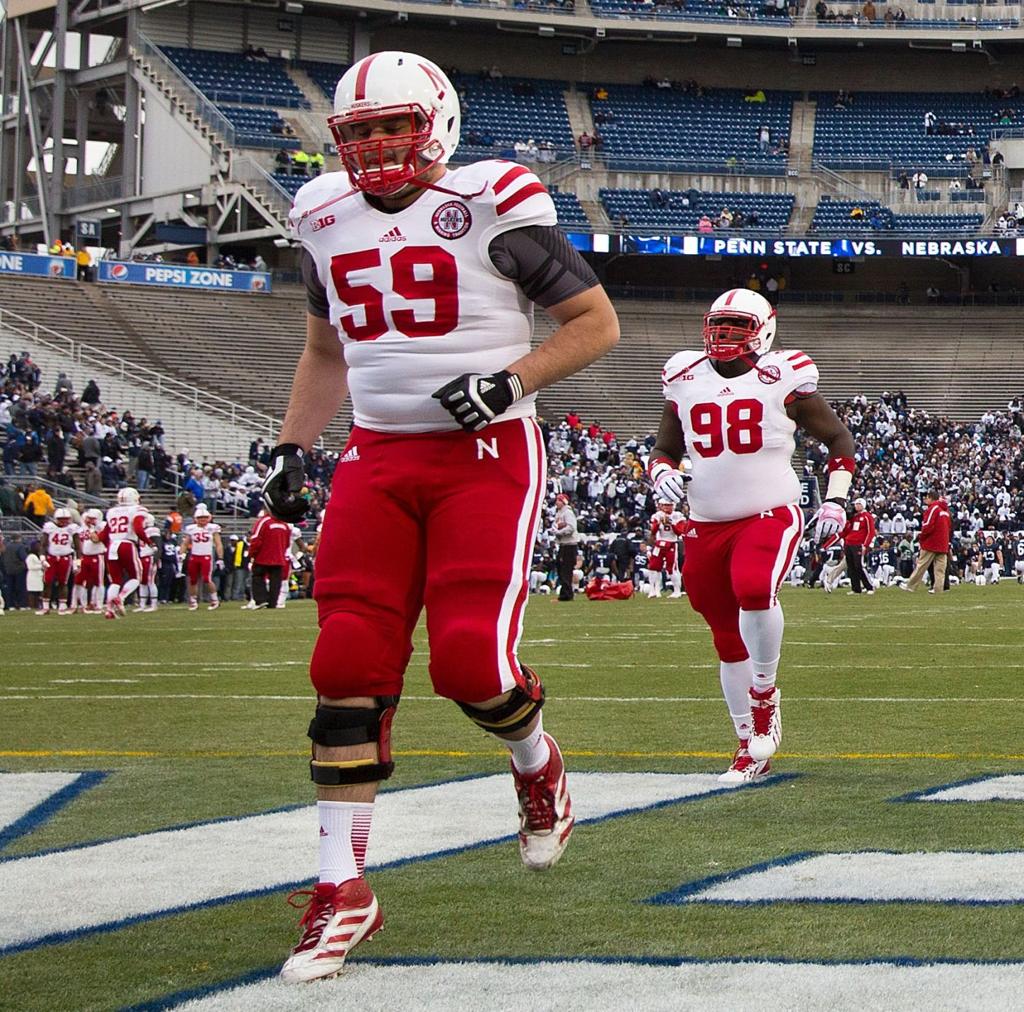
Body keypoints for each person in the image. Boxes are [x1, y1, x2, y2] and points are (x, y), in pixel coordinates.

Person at [260, 51, 619, 984]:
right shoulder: (321, 214)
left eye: (393, 127)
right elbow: (323, 350)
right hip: (377, 455)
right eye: (361, 132)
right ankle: (343, 889)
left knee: (470, 663)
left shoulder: (494, 197)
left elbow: (594, 323)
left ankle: (537, 765)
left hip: (486, 456)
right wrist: (293, 451)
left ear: (438, 123)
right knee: (344, 661)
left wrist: (509, 382)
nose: (377, 147)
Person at [647, 288, 855, 784]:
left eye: (737, 325)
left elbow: (839, 439)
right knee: (723, 633)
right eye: (719, 324)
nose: (724, 335)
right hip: (705, 520)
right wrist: (659, 474)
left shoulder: (781, 375)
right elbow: (664, 449)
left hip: (768, 510)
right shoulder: (683, 377)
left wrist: (835, 499)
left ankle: (765, 695)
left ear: (763, 330)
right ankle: (747, 745)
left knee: (754, 588)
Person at [902, 491, 951, 593]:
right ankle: (938, 588)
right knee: (940, 569)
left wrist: (922, 537)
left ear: (931, 498)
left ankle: (910, 586)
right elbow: (949, 527)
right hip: (943, 544)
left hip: (931, 542)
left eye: (926, 498)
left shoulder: (933, 508)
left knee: (921, 565)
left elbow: (928, 525)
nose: (925, 500)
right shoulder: (945, 511)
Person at [247, 509, 291, 608]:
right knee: (275, 581)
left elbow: (256, 539)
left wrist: (252, 554)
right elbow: (287, 543)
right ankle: (273, 602)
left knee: (258, 576)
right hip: (279, 557)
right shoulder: (285, 525)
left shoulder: (264, 522)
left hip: (263, 556)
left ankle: (260, 599)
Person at [182, 503, 223, 610]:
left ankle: (214, 600)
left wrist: (220, 558)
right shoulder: (191, 528)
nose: (203, 519)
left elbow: (218, 544)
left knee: (207, 578)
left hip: (206, 556)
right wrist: (181, 554)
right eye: (200, 517)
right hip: (194, 556)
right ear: (196, 518)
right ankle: (193, 601)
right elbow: (185, 543)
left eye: (205, 517)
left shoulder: (212, 528)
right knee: (193, 580)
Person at [39, 507, 79, 614]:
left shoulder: (72, 528)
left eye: (66, 519)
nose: (64, 521)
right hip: (51, 557)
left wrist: (77, 561)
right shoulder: (50, 527)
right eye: (61, 519)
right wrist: (42, 558)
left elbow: (78, 546)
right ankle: (45, 607)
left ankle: (62, 606)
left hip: (66, 557)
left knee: (63, 582)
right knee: (47, 582)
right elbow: (43, 544)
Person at [841, 497, 876, 595]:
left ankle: (869, 586)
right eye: (855, 504)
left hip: (858, 544)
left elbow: (871, 532)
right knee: (851, 567)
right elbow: (848, 529)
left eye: (858, 504)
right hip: (849, 544)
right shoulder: (854, 517)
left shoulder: (867, 516)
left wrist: (865, 545)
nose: (856, 506)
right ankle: (856, 588)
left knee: (859, 566)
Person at [552, 493, 579, 601]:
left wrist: (559, 532)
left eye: (558, 501)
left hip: (569, 545)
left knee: (566, 570)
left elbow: (571, 527)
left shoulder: (567, 513)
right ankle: (566, 593)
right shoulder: (559, 513)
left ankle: (566, 595)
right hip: (563, 544)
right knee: (561, 568)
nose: (556, 503)